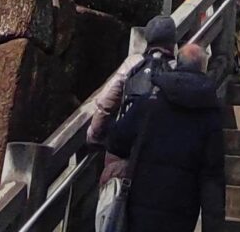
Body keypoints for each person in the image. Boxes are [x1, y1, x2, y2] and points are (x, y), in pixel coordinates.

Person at [106, 42, 225, 232]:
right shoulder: (211, 114)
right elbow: (212, 176)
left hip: (140, 202)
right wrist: (214, 224)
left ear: (177, 63)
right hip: (182, 211)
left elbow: (116, 140)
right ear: (203, 67)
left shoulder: (149, 103)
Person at [88, 13, 178, 181]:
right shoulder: (177, 70)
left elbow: (105, 103)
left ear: (148, 39)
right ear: (173, 42)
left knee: (112, 196)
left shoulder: (133, 63)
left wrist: (95, 134)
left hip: (123, 149)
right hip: (159, 158)